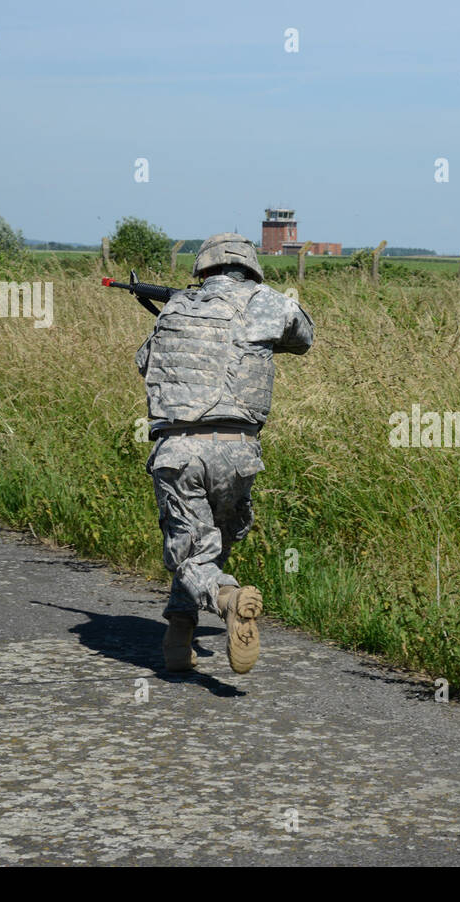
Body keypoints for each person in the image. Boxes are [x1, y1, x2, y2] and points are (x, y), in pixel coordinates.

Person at [135, 232, 313, 675]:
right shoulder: (269, 303)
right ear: (252, 266)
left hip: (179, 450)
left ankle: (228, 599)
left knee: (193, 550)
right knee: (213, 542)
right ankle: (179, 635)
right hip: (238, 452)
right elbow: (304, 337)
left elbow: (145, 363)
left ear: (202, 268)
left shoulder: (176, 308)